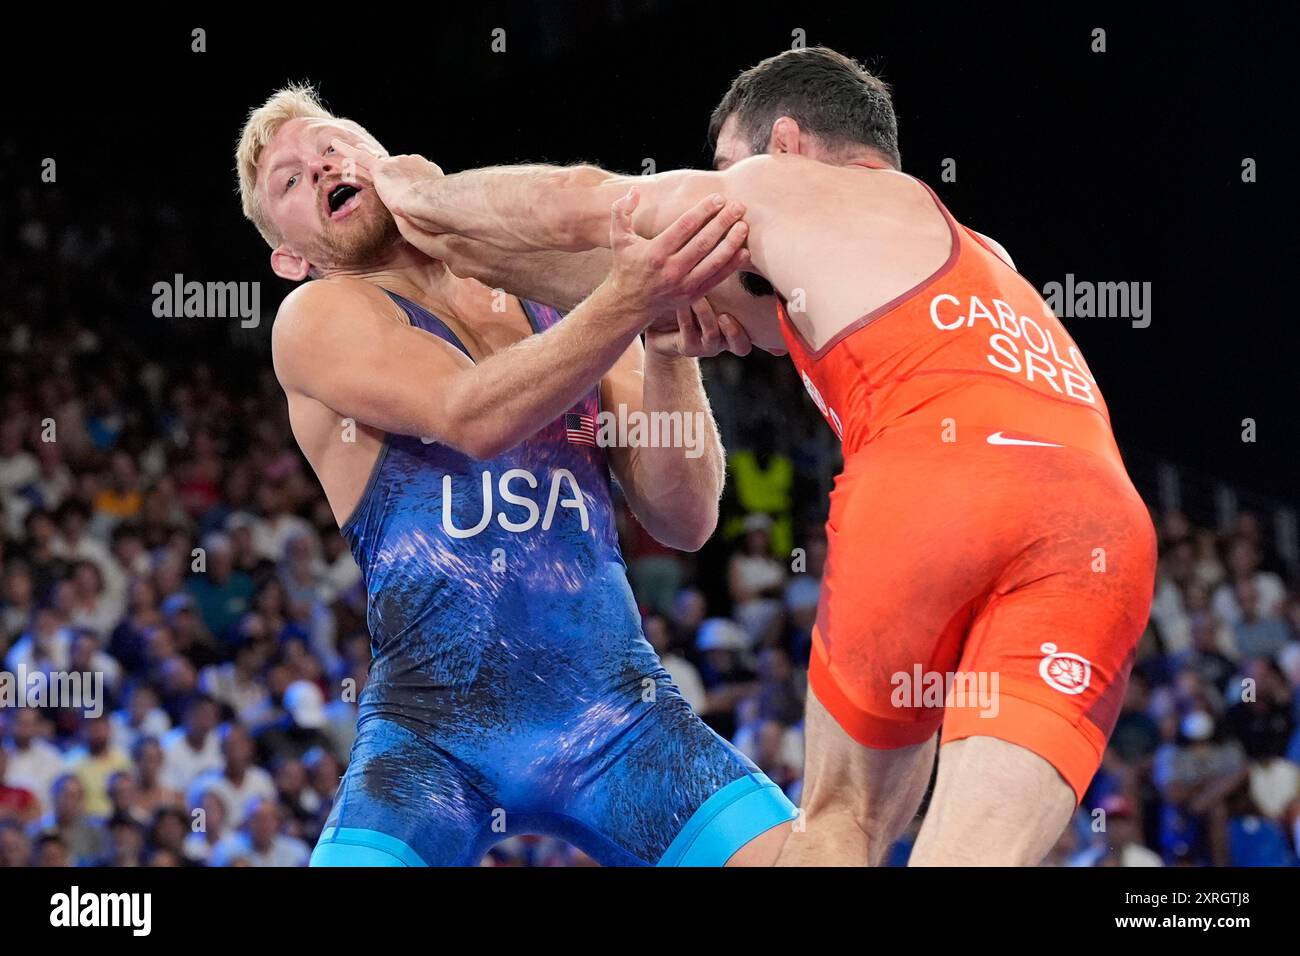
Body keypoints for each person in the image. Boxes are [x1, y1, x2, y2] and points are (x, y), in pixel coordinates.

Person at [353, 45, 1158, 865]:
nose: (722, 194)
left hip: (935, 485)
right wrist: (639, 300)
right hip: (1101, 528)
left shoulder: (773, 184)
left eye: (725, 167)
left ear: (782, 143)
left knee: (844, 826)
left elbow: (588, 209)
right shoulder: (974, 254)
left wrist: (420, 197)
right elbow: (640, 282)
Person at [232, 86, 796, 866]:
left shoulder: (553, 296)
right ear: (289, 258)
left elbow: (685, 516)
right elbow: (472, 417)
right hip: (430, 743)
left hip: (620, 717)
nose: (320, 162)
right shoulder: (315, 319)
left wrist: (666, 349)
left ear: (387, 164)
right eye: (289, 180)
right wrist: (629, 295)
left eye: (334, 142)